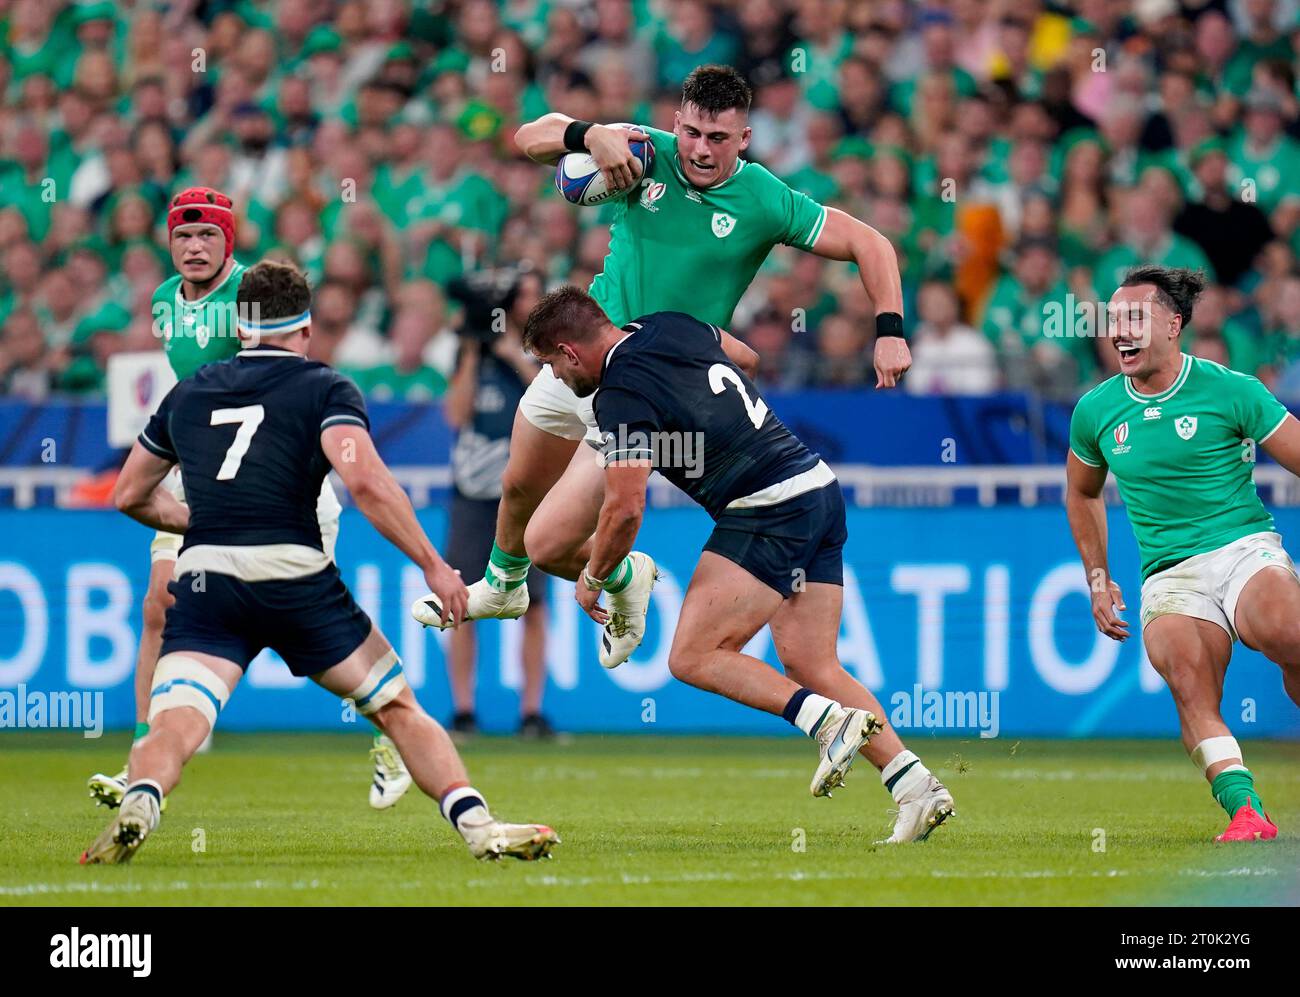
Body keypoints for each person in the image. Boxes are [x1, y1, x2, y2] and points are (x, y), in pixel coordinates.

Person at [413, 65, 910, 673]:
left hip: (646, 387)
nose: (701, 149)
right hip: (585, 351)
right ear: (679, 122)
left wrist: (889, 331)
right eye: (694, 132)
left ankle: (627, 577)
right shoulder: (644, 153)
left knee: (549, 541)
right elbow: (527, 137)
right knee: (516, 484)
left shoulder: (764, 199)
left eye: (719, 139)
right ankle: (504, 582)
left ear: (745, 139)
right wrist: (587, 134)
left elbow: (872, 243)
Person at [82, 261, 557, 864]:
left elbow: (130, 494)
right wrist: (434, 566)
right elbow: (368, 484)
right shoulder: (324, 388)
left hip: (208, 581)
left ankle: (145, 795)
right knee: (397, 707)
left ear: (239, 324)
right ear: (304, 330)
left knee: (173, 722)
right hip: (295, 577)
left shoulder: (190, 391)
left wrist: (202, 522)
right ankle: (477, 824)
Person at [516, 286, 954, 843]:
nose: (553, 378)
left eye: (551, 364)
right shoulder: (666, 319)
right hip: (816, 485)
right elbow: (745, 358)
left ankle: (824, 721)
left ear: (570, 351)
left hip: (767, 505)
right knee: (812, 662)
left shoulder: (620, 393)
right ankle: (915, 787)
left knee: (694, 655)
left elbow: (625, 509)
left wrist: (593, 578)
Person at [85, 187, 412, 812]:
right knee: (158, 604)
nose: (195, 246)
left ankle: (392, 732)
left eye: (208, 235)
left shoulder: (249, 297)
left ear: (228, 242)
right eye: (183, 236)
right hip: (201, 476)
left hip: (276, 478)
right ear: (168, 244)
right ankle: (141, 758)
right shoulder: (162, 303)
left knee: (326, 634)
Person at [1066, 265, 1300, 843]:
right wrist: (1098, 577)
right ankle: (1247, 811)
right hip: (1170, 575)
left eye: (1135, 318)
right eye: (1114, 319)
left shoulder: (1231, 389)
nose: (1121, 330)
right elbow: (1080, 491)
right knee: (1187, 678)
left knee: (1289, 633)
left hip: (1243, 550)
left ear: (1174, 325)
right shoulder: (1096, 411)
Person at [441, 267, 554, 738]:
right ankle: (464, 709)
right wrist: (472, 348)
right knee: (462, 599)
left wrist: (512, 354)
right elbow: (455, 414)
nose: (526, 303)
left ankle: (531, 711)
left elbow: (557, 403)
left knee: (533, 604)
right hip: (474, 487)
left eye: (532, 294)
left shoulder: (547, 350)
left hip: (528, 489)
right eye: (520, 295)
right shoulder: (473, 351)